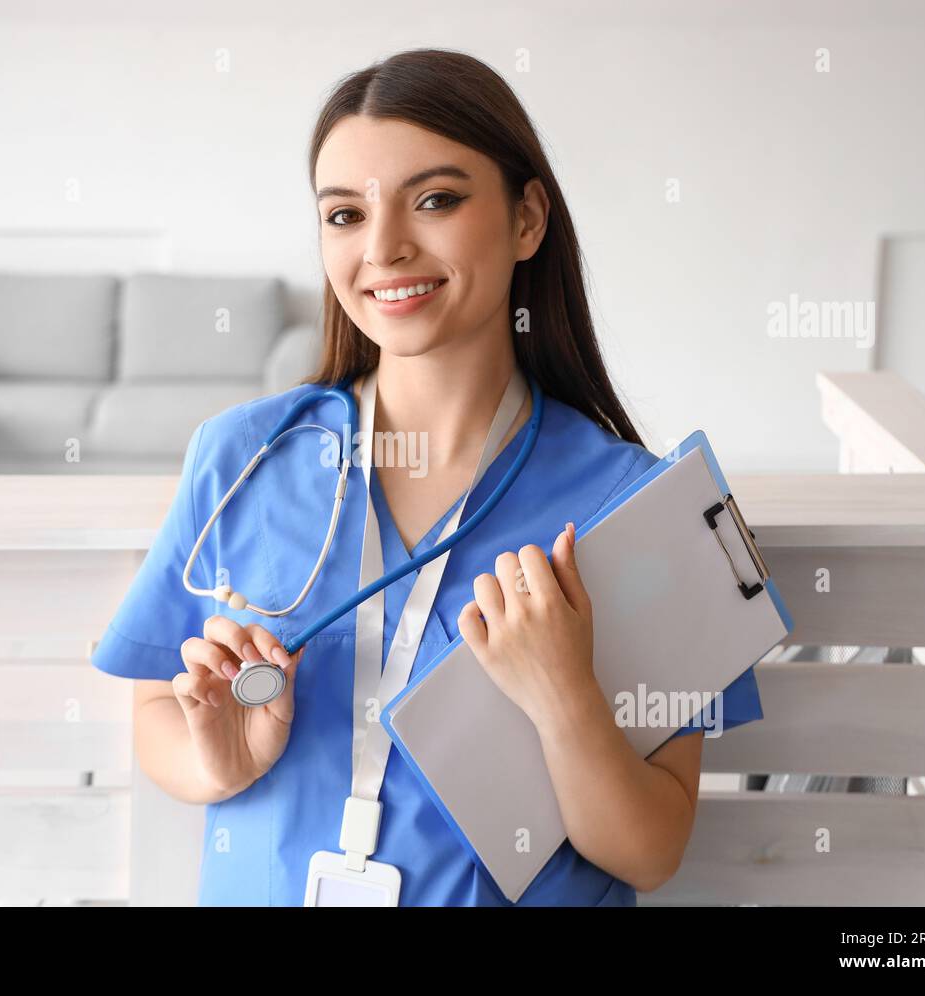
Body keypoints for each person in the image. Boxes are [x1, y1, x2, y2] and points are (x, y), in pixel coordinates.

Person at [91, 48, 762, 906]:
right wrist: (217, 759)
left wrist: (564, 696)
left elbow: (650, 850)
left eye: (436, 200)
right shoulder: (241, 457)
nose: (384, 248)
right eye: (343, 215)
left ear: (527, 220)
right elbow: (156, 713)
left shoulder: (637, 506)